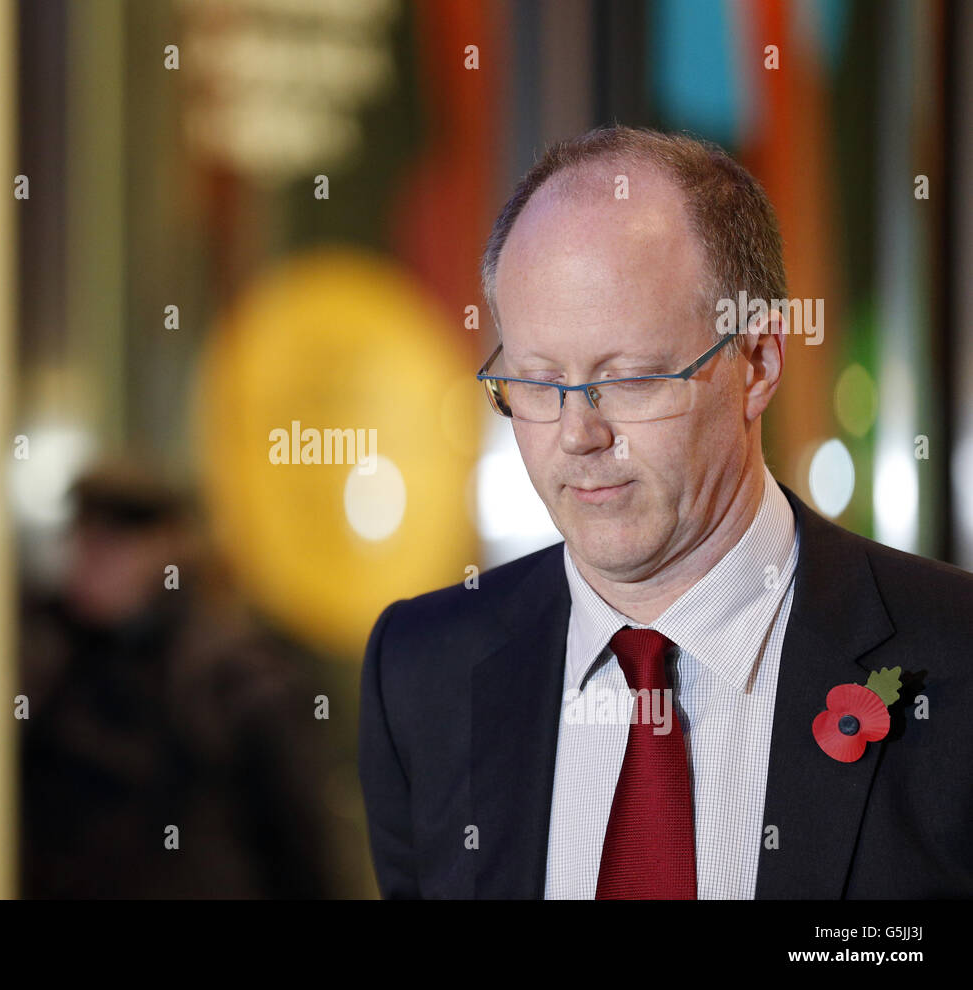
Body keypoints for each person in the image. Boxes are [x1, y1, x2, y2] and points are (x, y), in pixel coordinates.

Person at [358, 126, 973, 899]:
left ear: (756, 364)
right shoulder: (420, 672)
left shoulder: (957, 659)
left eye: (633, 378)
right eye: (538, 383)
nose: (578, 434)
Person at [21, 466, 335, 898]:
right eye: (81, 541)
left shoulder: (236, 679)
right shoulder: (48, 663)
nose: (88, 562)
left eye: (111, 546)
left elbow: (305, 850)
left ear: (167, 549)